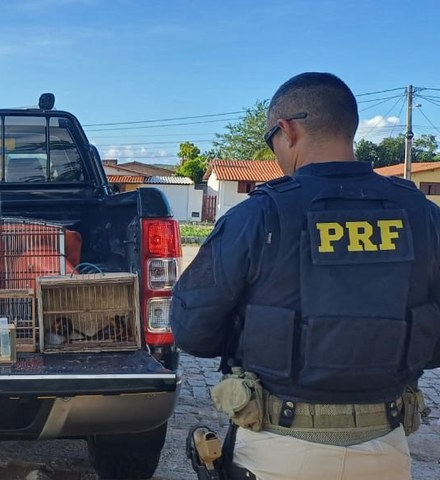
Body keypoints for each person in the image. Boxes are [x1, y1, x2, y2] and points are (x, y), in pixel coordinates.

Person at [170, 72, 440, 480]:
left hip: (278, 449)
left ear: (287, 129)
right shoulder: (424, 215)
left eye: (271, 140)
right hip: (388, 448)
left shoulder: (257, 215)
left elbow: (193, 329)